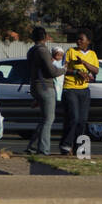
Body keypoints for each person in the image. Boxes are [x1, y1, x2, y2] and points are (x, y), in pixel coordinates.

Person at [24, 26, 66, 156]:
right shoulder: (43, 51)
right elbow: (52, 71)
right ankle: (43, 150)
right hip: (45, 87)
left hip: (35, 86)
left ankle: (32, 147)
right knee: (49, 119)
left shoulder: (31, 51)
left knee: (44, 119)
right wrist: (64, 69)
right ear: (46, 37)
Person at [59, 30, 99, 156]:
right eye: (77, 39)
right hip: (70, 88)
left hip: (84, 90)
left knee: (82, 120)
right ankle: (66, 145)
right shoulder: (71, 52)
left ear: (88, 41)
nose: (78, 41)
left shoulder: (92, 54)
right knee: (74, 117)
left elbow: (96, 70)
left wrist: (85, 64)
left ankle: (78, 147)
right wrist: (76, 72)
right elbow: (63, 69)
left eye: (81, 39)